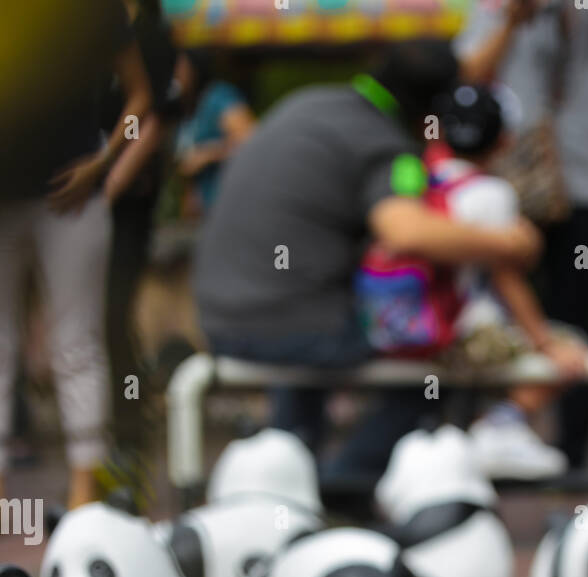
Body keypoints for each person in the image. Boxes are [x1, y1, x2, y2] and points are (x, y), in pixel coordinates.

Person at [194, 41, 541, 483]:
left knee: (308, 351)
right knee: (436, 358)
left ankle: (292, 478)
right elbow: (405, 229)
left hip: (224, 313)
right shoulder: (382, 141)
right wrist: (509, 244)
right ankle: (347, 483)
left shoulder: (314, 104)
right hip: (290, 322)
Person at [0, 0, 152, 508]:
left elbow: (141, 99)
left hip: (71, 201)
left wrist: (104, 161)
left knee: (77, 346)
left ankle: (85, 493)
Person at [456, 0, 588, 469]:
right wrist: (513, 18)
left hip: (586, 180)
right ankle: (486, 431)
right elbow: (468, 72)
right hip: (515, 185)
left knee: (577, 317)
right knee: (494, 307)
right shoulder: (496, 8)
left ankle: (571, 456)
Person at [423, 83, 588, 478]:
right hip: (467, 333)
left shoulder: (425, 181)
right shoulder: (492, 193)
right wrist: (546, 343)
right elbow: (506, 279)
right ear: (504, 140)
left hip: (420, 328)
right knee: (573, 347)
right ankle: (503, 424)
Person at [100, 0, 177, 488]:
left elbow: (155, 118)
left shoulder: (148, 32)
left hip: (123, 206)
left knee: (111, 314)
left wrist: (105, 187)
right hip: (84, 203)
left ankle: (130, 432)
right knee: (99, 321)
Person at [175, 52, 256, 217]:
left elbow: (252, 141)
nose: (174, 74)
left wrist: (208, 154)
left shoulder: (218, 97)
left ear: (194, 68)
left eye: (179, 66)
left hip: (233, 208)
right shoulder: (186, 109)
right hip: (205, 215)